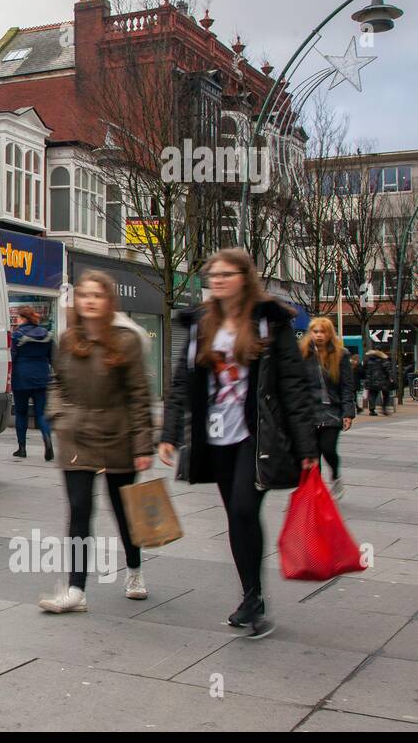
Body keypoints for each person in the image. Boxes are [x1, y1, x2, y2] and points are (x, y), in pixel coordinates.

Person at [160, 249, 317, 639]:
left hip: (256, 434)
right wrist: (170, 434)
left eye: (226, 274)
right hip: (216, 435)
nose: (217, 279)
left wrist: (307, 447)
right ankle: (252, 596)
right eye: (212, 274)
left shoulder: (269, 322)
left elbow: (293, 387)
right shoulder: (200, 323)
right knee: (236, 515)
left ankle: (253, 596)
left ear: (245, 277)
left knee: (246, 507)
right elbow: (182, 382)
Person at [38, 271, 154, 613]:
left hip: (117, 436)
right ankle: (76, 589)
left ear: (109, 302)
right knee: (79, 511)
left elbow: (138, 395)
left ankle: (134, 570)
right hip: (77, 436)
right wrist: (59, 415)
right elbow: (57, 382)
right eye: (84, 295)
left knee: (124, 512)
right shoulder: (68, 338)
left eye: (97, 295)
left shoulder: (126, 341)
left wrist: (143, 445)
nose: (89, 301)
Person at [301, 318, 355, 499]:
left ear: (329, 333)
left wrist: (348, 412)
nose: (319, 335)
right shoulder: (303, 354)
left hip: (332, 411)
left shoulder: (341, 354)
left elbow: (347, 386)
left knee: (328, 448)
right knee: (312, 454)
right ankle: (315, 489)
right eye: (315, 331)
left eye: (322, 331)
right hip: (309, 411)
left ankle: (336, 476)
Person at [10, 306, 54, 460]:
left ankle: (22, 448)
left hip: (21, 378)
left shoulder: (17, 335)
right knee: (41, 413)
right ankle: (48, 441)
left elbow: (13, 357)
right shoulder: (47, 335)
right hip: (41, 377)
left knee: (21, 413)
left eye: (18, 318)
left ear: (23, 318)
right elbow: (52, 358)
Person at [362, 349, 389, 415]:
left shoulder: (368, 360)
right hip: (382, 380)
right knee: (386, 394)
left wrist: (366, 377)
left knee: (372, 395)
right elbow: (386, 370)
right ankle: (384, 408)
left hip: (371, 381)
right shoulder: (383, 360)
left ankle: (372, 410)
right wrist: (388, 378)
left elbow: (364, 369)